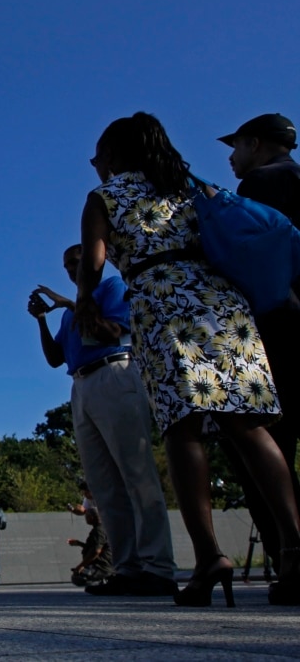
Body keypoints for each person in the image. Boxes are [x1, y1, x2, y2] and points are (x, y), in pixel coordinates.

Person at [76, 111, 300, 608]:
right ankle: (294, 547)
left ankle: (208, 557)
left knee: (184, 430)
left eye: (99, 156)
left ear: (112, 156)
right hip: (222, 304)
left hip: (162, 304)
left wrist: (84, 298)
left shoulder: (106, 197)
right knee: (249, 425)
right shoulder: (193, 188)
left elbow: (92, 261)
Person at [28, 244, 177, 597]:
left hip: (115, 371)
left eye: (77, 262)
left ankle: (158, 566)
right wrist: (42, 320)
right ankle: (126, 566)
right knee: (104, 483)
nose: (70, 269)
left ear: (94, 262)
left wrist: (70, 302)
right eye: (66, 265)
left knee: (136, 473)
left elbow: (112, 333)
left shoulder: (110, 287)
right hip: (80, 384)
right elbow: (54, 357)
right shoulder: (69, 312)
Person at [217, 113, 300, 570]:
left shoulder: (261, 186)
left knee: (259, 441)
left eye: (236, 146)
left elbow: (250, 260)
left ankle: (290, 555)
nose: (231, 156)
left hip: (279, 326)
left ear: (255, 143)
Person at [69, 509, 115, 588]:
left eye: (87, 516)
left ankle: (102, 580)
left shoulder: (98, 531)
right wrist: (79, 543)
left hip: (102, 566)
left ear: (91, 517)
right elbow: (95, 547)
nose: (86, 518)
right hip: (104, 565)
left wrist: (81, 566)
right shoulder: (103, 528)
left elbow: (96, 551)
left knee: (77, 578)